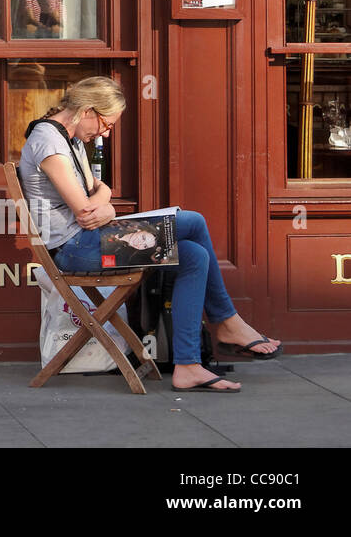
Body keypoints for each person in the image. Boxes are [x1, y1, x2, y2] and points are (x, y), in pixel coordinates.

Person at [17, 76, 282, 393]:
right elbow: (87, 213)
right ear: (87, 110)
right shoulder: (48, 140)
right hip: (75, 248)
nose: (105, 133)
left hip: (88, 240)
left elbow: (98, 190)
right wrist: (108, 207)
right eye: (106, 123)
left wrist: (104, 200)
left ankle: (188, 366)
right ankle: (227, 322)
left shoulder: (70, 140)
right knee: (193, 221)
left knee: (193, 255)